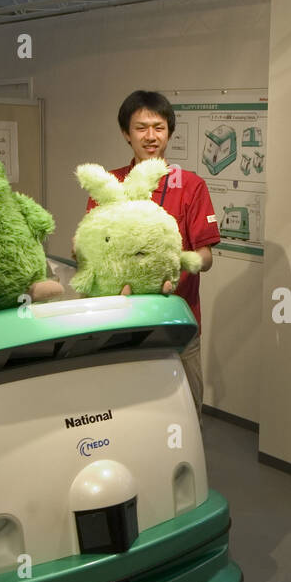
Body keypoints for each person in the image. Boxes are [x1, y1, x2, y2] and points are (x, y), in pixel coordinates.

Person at [87, 91, 218, 412]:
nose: (150, 136)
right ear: (125, 134)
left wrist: (172, 267)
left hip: (176, 322)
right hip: (120, 324)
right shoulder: (110, 184)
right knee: (125, 414)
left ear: (169, 132)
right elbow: (90, 247)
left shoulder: (190, 185)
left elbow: (206, 257)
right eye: (141, 128)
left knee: (185, 412)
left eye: (158, 127)